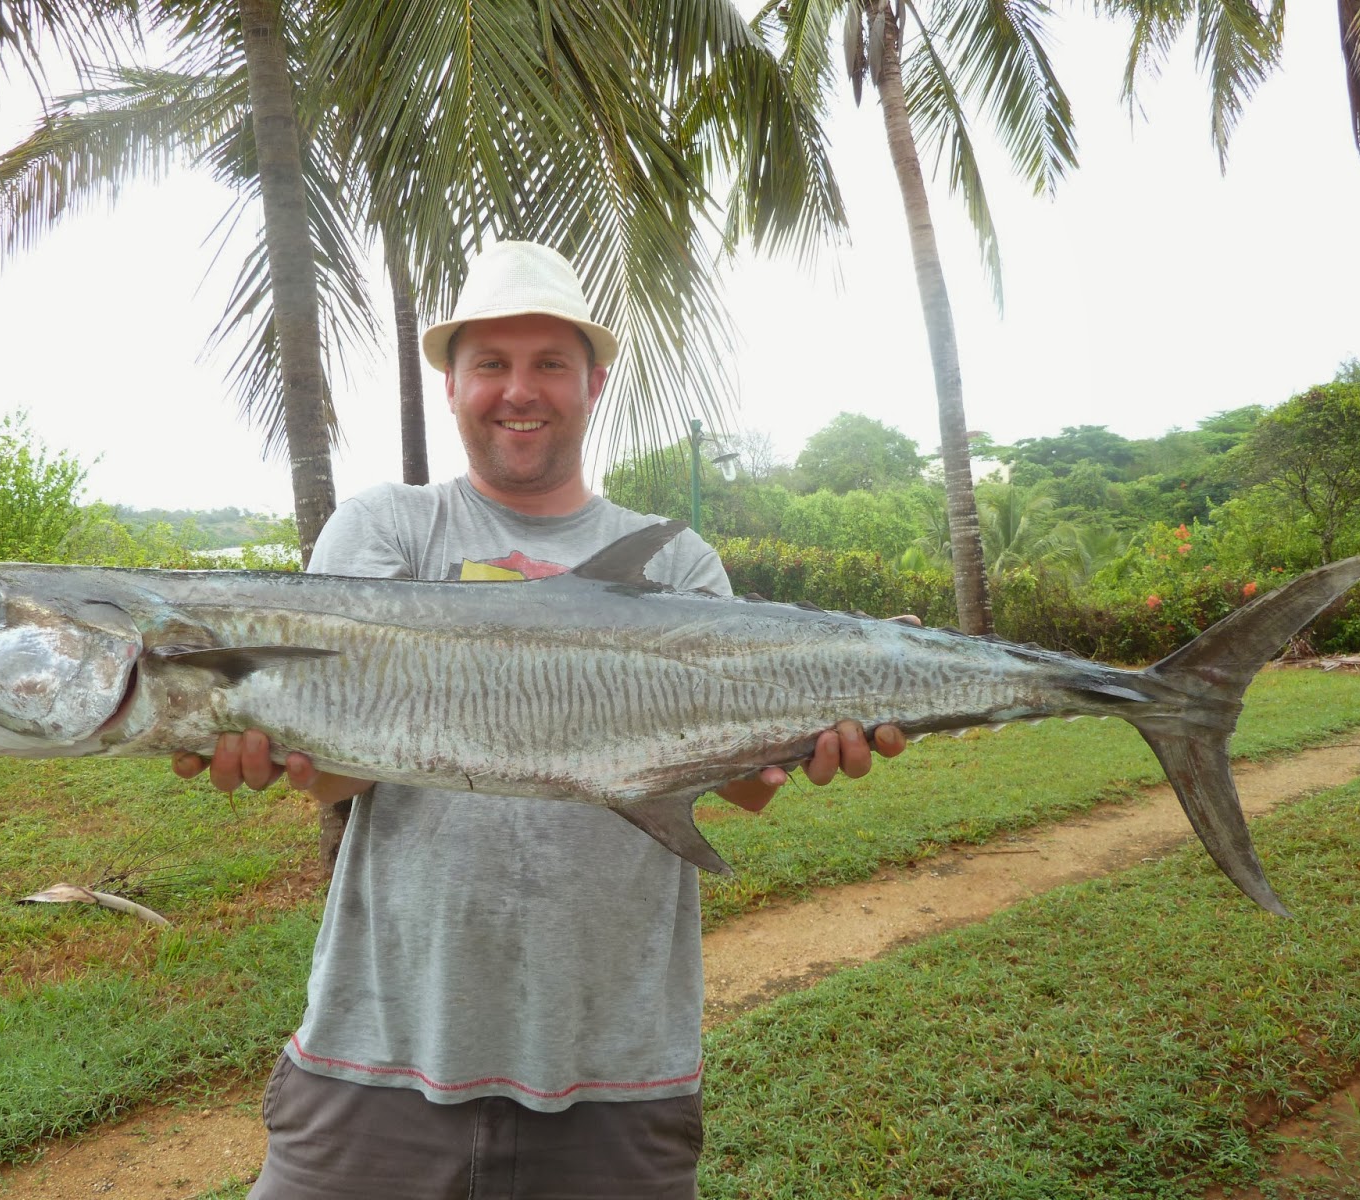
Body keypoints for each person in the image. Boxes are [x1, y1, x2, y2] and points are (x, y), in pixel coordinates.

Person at [174, 241, 908, 1198]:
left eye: (549, 364)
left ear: (593, 381)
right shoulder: (387, 530)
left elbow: (735, 789)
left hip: (615, 1072)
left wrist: (813, 737)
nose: (519, 391)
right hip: (382, 1052)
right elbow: (354, 770)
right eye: (491, 364)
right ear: (452, 383)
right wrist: (285, 746)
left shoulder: (677, 562)